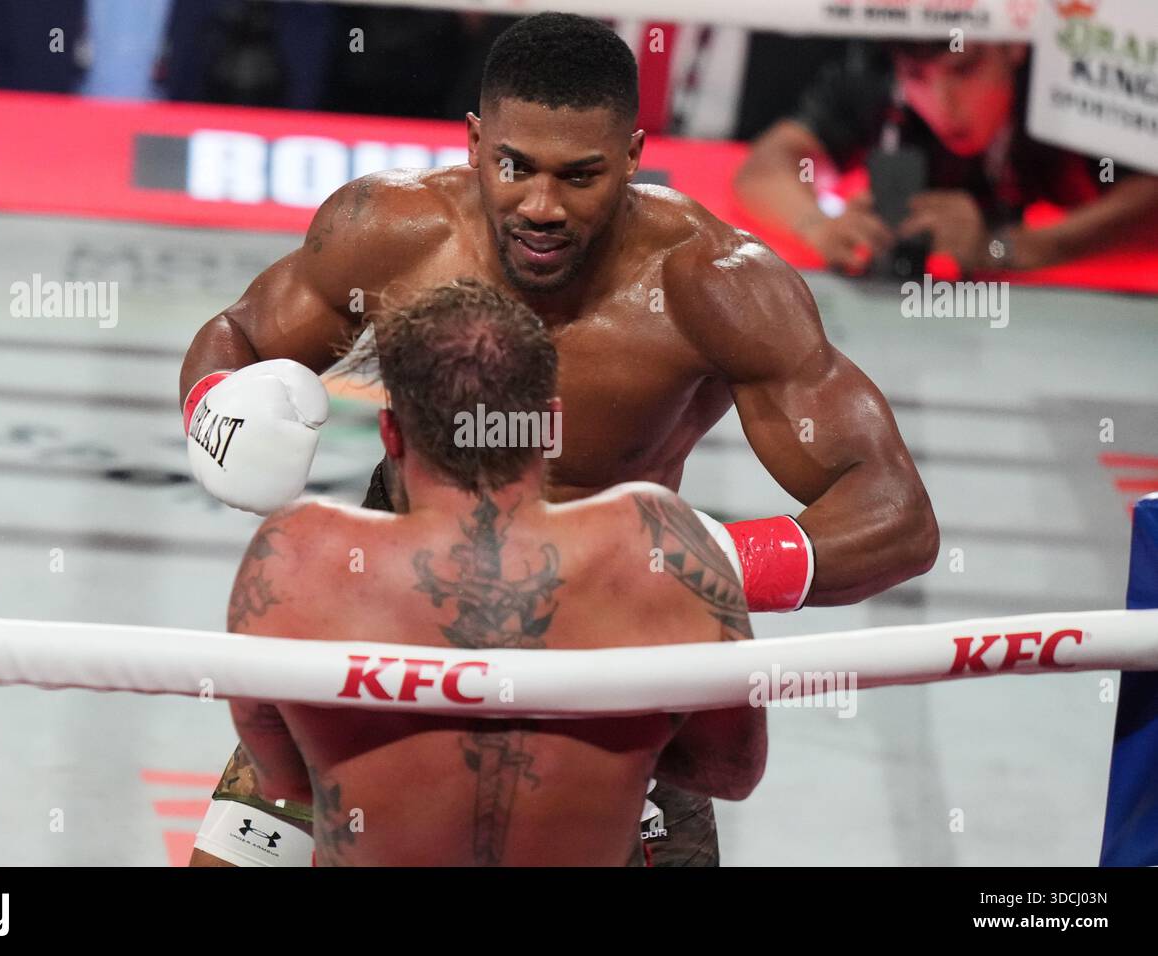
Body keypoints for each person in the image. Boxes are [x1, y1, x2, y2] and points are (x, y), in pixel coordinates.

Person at [184, 12, 938, 868]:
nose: (542, 207)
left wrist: (691, 570)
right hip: (391, 606)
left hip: (614, 647)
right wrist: (218, 410)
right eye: (516, 167)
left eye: (581, 176)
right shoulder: (389, 234)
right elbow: (240, 332)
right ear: (474, 142)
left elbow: (896, 517)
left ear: (633, 154)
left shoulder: (711, 285)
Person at [226, 279, 766, 866]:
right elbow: (732, 771)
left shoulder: (295, 555)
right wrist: (612, 750)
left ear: (391, 432)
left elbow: (283, 779)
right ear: (551, 423)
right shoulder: (661, 548)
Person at [734, 40, 1158, 275]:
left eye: (963, 69)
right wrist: (819, 227)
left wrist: (1015, 248)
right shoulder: (875, 74)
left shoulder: (1066, 86)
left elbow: (1149, 202)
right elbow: (767, 165)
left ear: (1014, 49)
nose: (943, 105)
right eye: (917, 76)